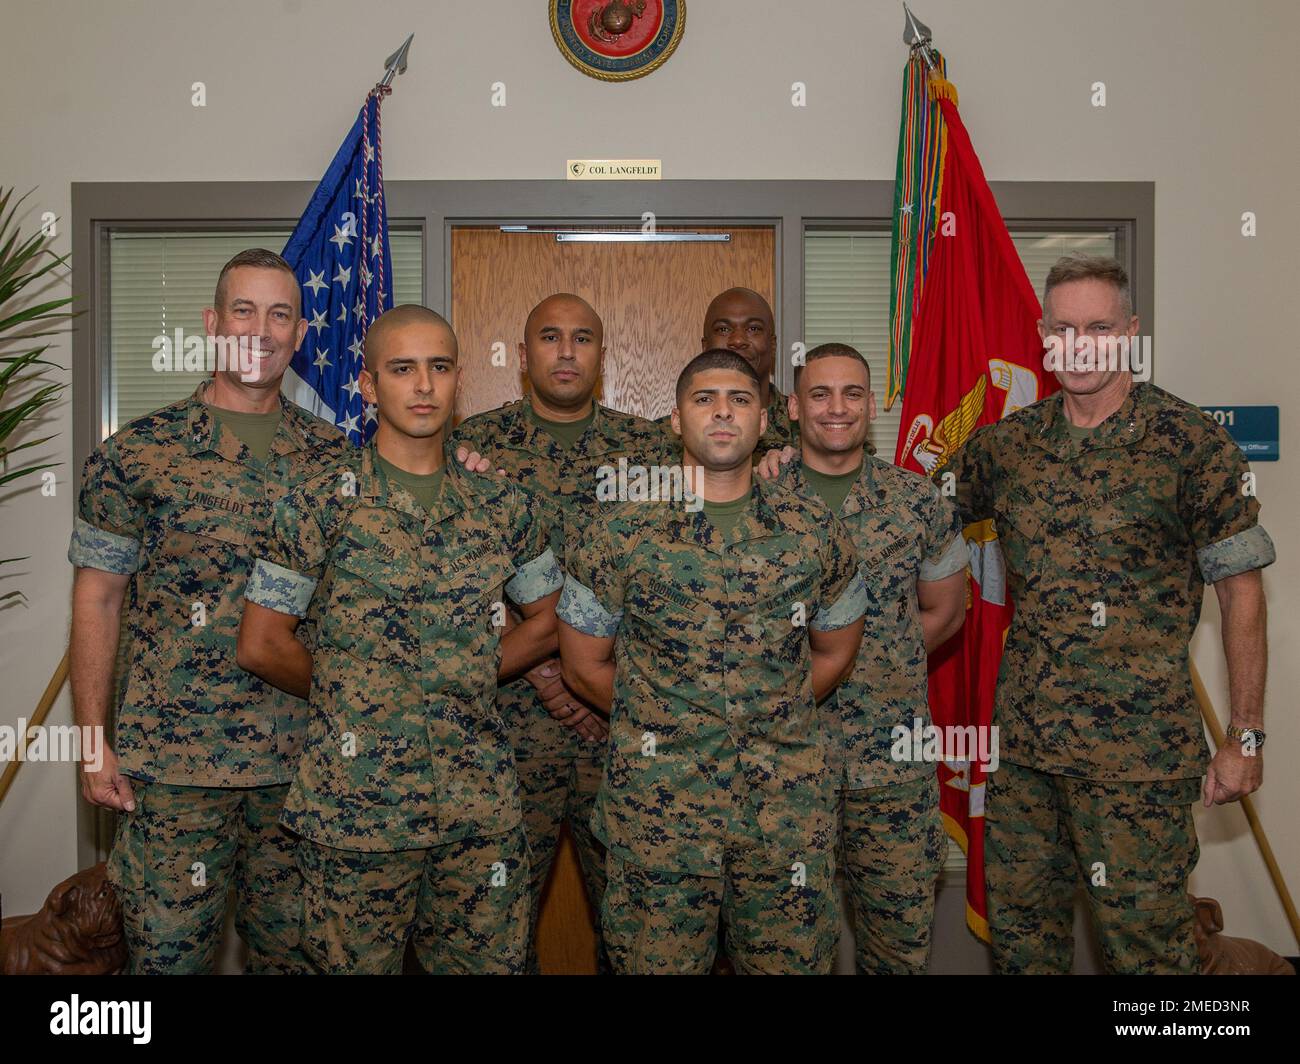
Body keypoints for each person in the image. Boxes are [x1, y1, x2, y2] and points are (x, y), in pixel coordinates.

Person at [940, 254, 1275, 974]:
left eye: (1098, 326)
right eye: (1064, 327)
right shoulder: (1008, 447)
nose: (1080, 343)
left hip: (1138, 763)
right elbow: (907, 517)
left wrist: (1244, 738)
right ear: (1043, 335)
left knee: (1149, 958)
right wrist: (781, 461)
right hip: (1026, 754)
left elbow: (1241, 590)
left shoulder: (1189, 444)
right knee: (1025, 949)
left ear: (1130, 331)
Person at [237, 306, 562, 974]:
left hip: (479, 814)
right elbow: (264, 642)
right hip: (355, 812)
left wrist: (474, 670)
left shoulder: (504, 507)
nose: (423, 386)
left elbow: (553, 618)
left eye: (439, 368)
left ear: (458, 381)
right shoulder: (320, 501)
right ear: (367, 384)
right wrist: (354, 696)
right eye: (402, 369)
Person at [68, 248, 347, 973]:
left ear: (301, 333)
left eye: (280, 314)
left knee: (295, 960)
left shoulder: (337, 460)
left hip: (300, 766)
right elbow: (98, 597)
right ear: (212, 323)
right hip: (172, 768)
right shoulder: (137, 455)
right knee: (165, 963)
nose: (262, 329)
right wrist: (93, 740)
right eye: (245, 310)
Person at [558, 348, 867, 974]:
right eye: (705, 400)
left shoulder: (814, 529)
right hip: (658, 816)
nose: (723, 413)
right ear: (676, 420)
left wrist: (772, 716)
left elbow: (836, 648)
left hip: (785, 818)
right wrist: (665, 724)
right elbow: (583, 663)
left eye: (740, 400)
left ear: (762, 423)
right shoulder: (618, 530)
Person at [448, 293, 675, 972]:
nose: (567, 351)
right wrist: (554, 673)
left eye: (582, 339)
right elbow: (455, 582)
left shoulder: (654, 448)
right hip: (509, 724)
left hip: (625, 724)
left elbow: (677, 573)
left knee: (641, 928)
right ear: (523, 358)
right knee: (497, 924)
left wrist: (589, 678)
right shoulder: (472, 449)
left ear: (603, 357)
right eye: (550, 337)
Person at [769, 342, 967, 973]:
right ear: (795, 407)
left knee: (900, 944)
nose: (837, 408)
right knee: (789, 947)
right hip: (782, 764)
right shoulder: (757, 498)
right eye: (820, 394)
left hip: (894, 764)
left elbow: (943, 613)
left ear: (872, 406)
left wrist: (878, 664)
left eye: (852, 393)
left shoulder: (918, 502)